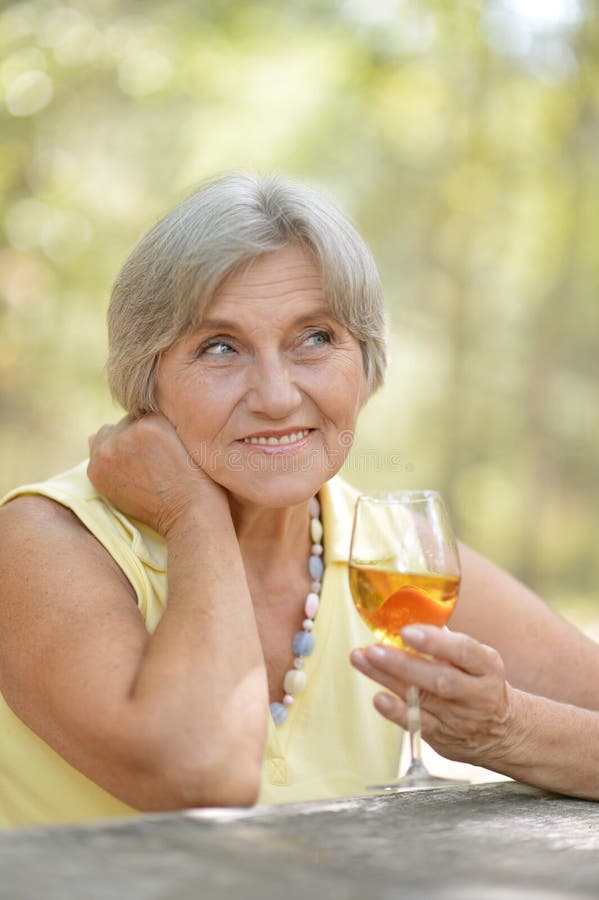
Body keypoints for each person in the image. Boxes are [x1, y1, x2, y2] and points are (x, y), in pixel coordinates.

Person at [0, 172, 598, 830]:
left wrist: (507, 731)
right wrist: (194, 516)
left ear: (363, 362)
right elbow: (201, 774)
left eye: (314, 337)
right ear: (148, 380)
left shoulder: (390, 556)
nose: (278, 395)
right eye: (219, 347)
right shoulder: (43, 540)